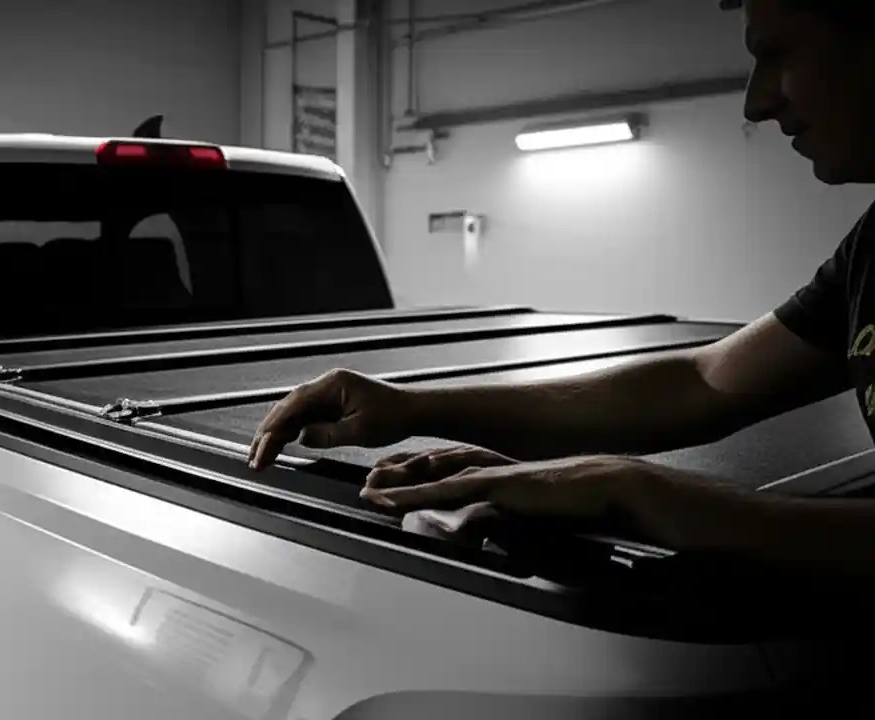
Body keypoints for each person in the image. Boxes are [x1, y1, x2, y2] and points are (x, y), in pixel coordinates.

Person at [248, 0, 875, 585]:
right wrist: (413, 410)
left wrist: (637, 493)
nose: (756, 102)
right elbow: (705, 381)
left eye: (778, 53)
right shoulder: (869, 249)